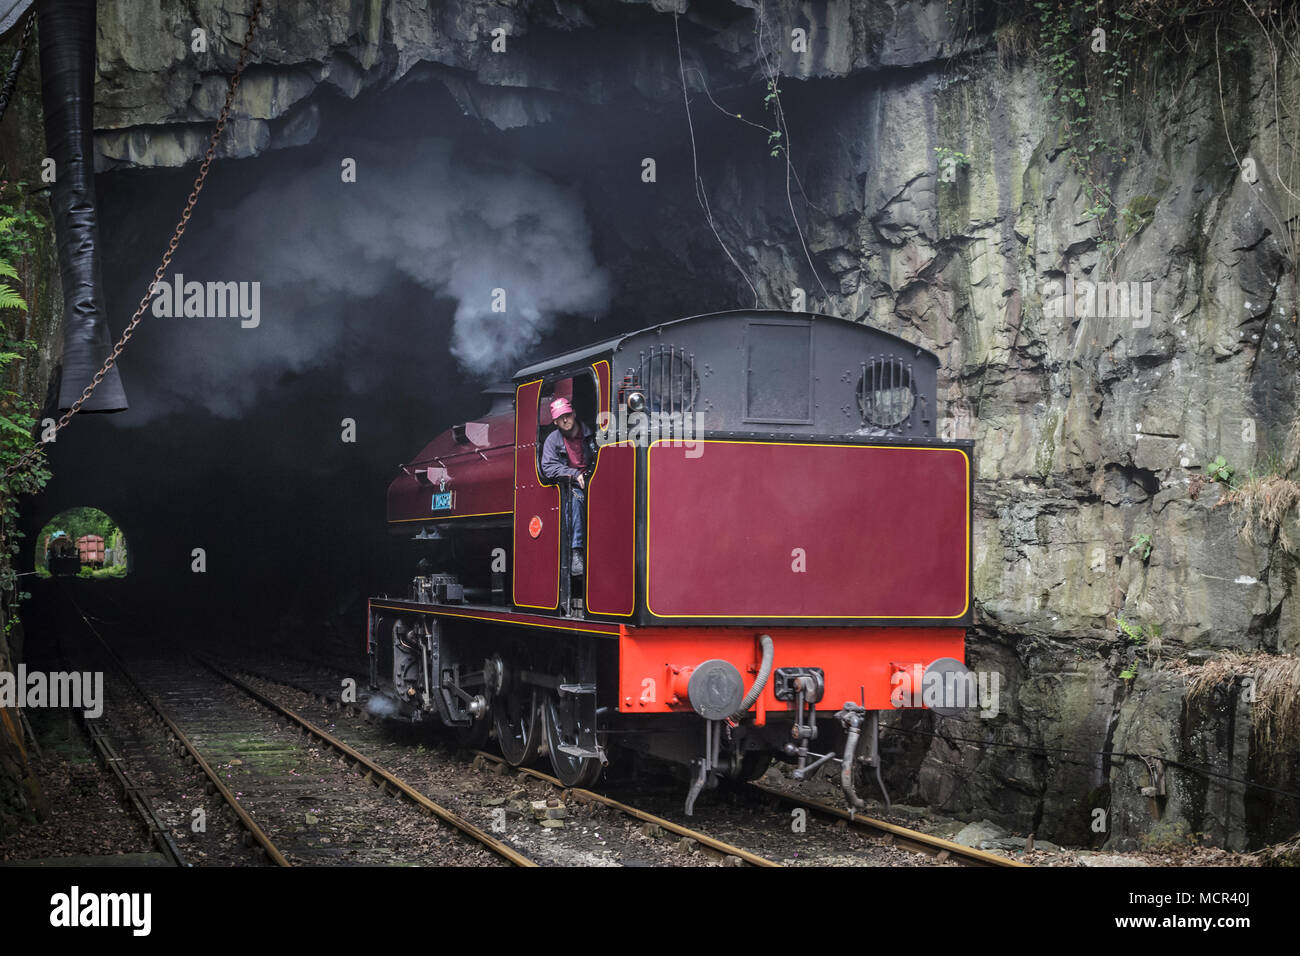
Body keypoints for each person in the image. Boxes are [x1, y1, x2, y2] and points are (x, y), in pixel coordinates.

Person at [540, 396, 596, 576]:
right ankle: (576, 552)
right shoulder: (552, 440)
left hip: (595, 480)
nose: (565, 420)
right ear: (555, 421)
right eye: (560, 418)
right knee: (576, 499)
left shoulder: (592, 434)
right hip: (572, 486)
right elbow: (548, 467)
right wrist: (574, 474)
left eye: (567, 415)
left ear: (574, 414)